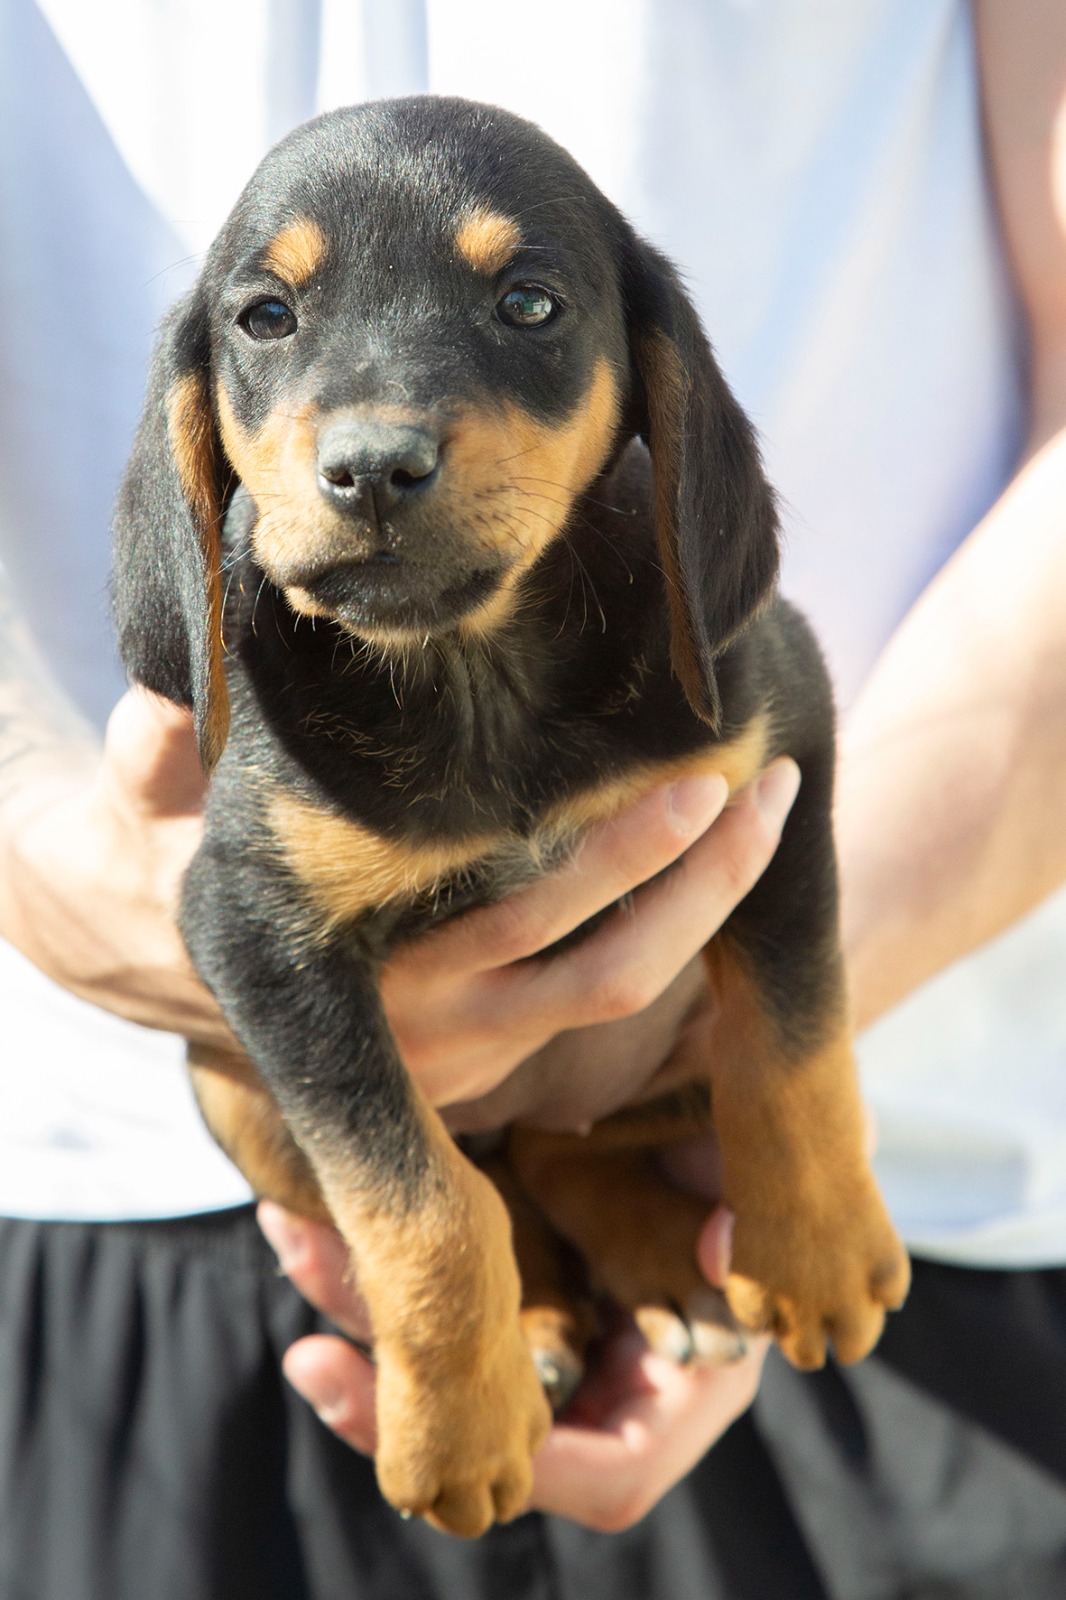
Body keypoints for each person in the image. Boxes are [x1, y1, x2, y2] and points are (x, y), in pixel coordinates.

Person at [1, 1, 1065, 1596]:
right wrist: (32, 838)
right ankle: (532, 1244)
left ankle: (597, 1190)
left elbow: (786, 748)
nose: (374, 439)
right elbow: (236, 916)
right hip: (134, 1184)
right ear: (197, 432)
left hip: (892, 1200)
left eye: (525, 301)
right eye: (272, 321)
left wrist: (767, 1102)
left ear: (657, 396)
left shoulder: (699, 662)